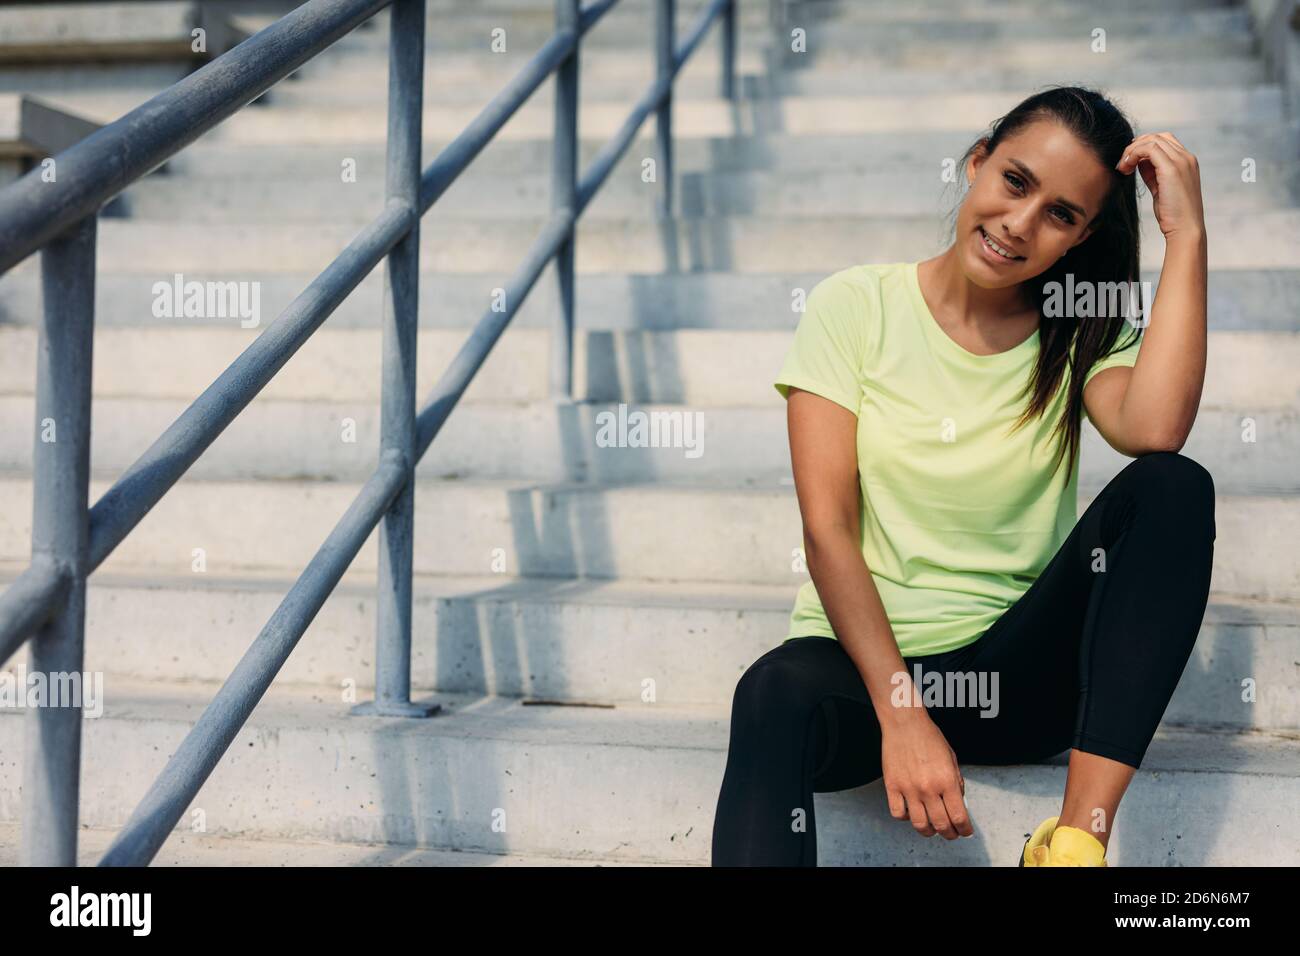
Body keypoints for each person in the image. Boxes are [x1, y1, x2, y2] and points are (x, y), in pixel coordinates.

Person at [711, 86, 1214, 867]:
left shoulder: (1081, 330)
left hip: (1017, 675)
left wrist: (1185, 235)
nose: (1020, 223)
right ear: (977, 163)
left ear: (1080, 239)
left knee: (1174, 489)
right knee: (772, 690)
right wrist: (903, 713)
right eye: (1015, 182)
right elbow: (827, 531)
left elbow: (1156, 432)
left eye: (1061, 215)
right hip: (869, 673)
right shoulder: (856, 305)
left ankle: (1074, 845)